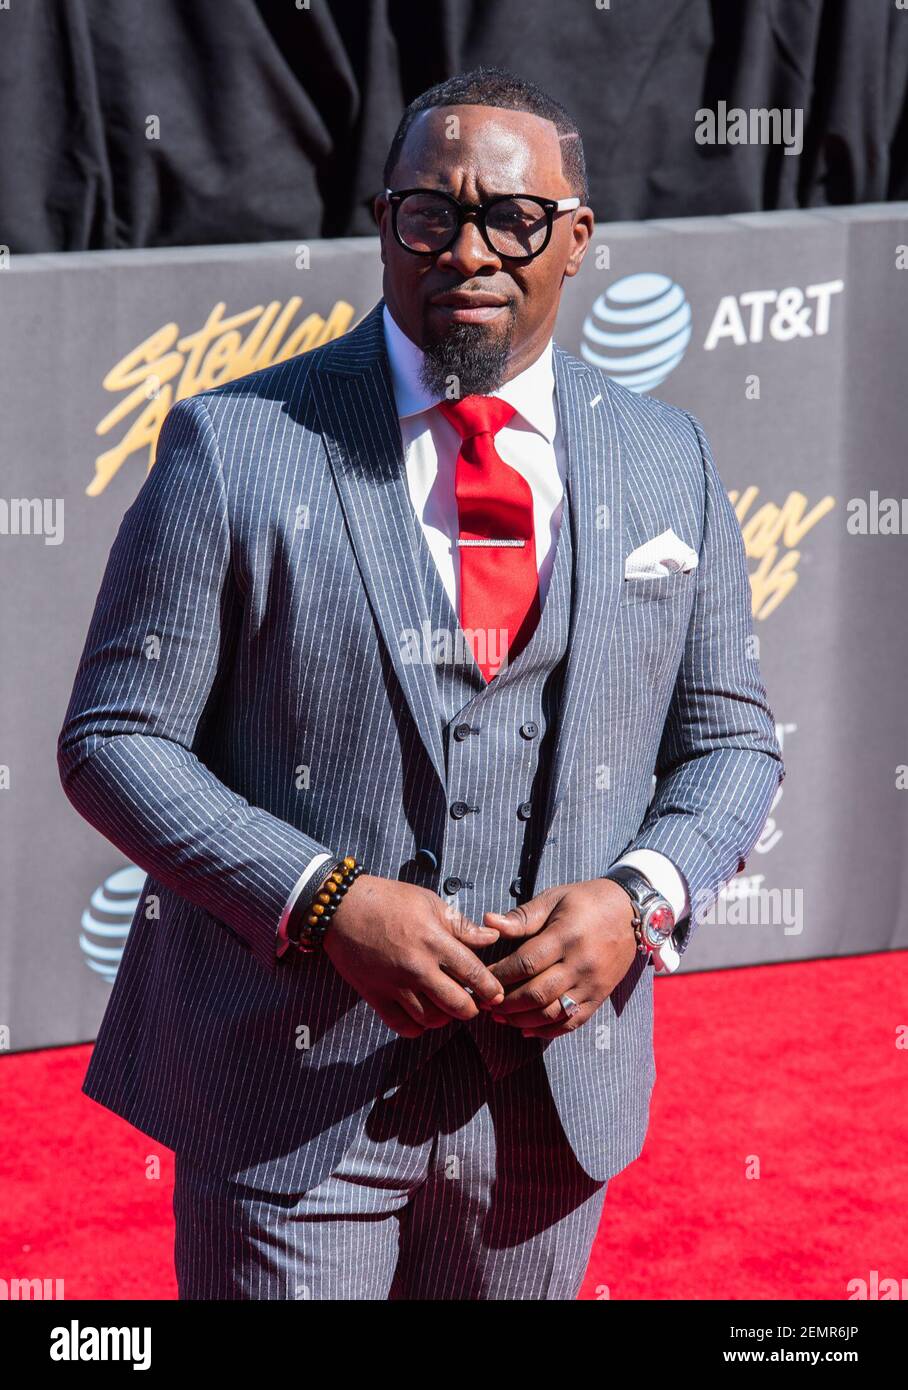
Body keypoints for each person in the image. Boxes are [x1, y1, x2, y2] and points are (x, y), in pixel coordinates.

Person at [57, 66, 785, 1300]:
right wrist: (327, 901)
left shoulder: (669, 457)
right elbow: (116, 737)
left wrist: (635, 900)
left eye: (512, 218)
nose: (469, 250)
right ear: (385, 224)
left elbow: (731, 743)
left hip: (546, 1111)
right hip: (289, 1100)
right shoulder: (235, 443)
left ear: (575, 239)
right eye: (428, 215)